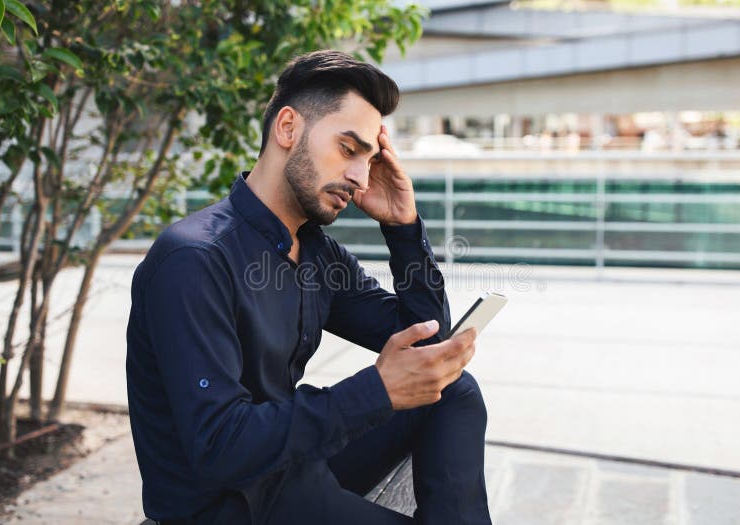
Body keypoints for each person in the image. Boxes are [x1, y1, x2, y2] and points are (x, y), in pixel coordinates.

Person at [126, 50, 491, 524]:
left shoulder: (315, 252)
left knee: (452, 389)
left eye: (370, 158)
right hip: (224, 505)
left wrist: (403, 227)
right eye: (348, 149)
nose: (360, 177)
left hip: (286, 470)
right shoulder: (194, 258)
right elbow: (219, 445)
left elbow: (428, 340)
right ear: (287, 128)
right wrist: (377, 389)